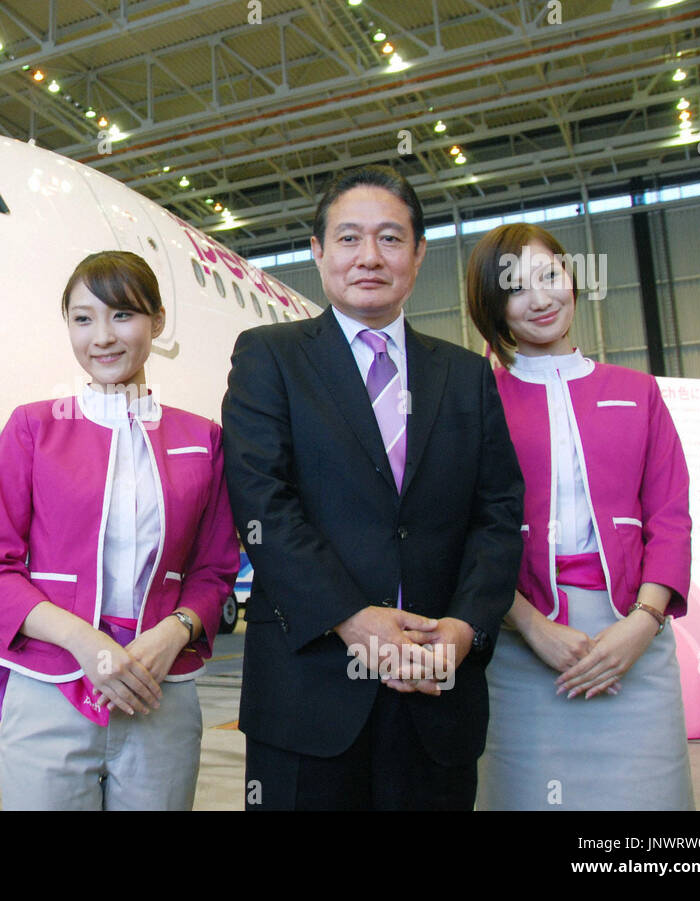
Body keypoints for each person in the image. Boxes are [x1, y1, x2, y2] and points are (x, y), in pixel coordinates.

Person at [221, 164, 525, 810]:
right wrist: (353, 622)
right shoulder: (268, 357)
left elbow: (499, 514)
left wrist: (466, 629)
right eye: (349, 238)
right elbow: (262, 500)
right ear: (318, 251)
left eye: (390, 239)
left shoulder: (467, 375)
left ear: (417, 254)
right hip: (309, 697)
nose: (369, 257)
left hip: (436, 694)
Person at [0, 250, 239, 810]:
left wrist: (172, 635)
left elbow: (214, 570)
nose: (103, 337)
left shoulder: (203, 439)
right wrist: (86, 643)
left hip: (159, 686)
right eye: (82, 318)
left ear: (157, 323)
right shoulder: (32, 428)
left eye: (123, 315)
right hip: (50, 685)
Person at [465, 223, 694, 810]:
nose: (540, 299)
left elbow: (670, 517)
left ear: (573, 279)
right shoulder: (477, 401)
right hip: (521, 645)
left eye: (550, 277)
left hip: (635, 641)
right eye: (516, 289)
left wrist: (642, 624)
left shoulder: (638, 392)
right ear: (493, 307)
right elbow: (464, 531)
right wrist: (533, 629)